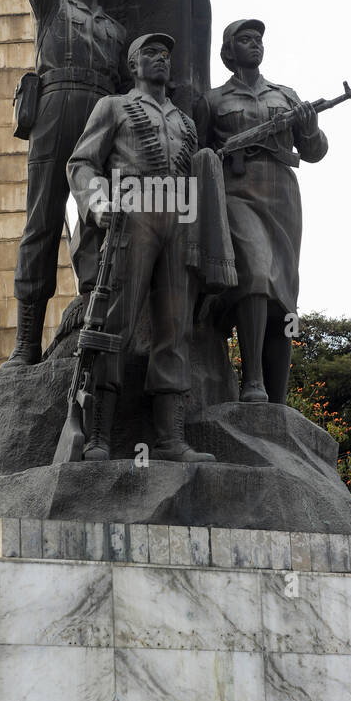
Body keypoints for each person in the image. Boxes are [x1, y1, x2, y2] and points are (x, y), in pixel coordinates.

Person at [67, 33, 214, 462]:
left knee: (174, 328)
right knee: (115, 327)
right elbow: (81, 162)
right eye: (151, 53)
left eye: (166, 54)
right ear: (133, 65)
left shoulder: (184, 121)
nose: (161, 59)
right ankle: (97, 436)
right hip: (132, 212)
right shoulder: (113, 106)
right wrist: (97, 204)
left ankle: (170, 439)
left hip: (179, 217)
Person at [6, 0, 125, 367]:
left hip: (102, 115)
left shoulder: (117, 32)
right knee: (43, 220)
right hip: (56, 108)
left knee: (103, 211)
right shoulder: (52, 8)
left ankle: (94, 306)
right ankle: (26, 341)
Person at [195, 20, 328, 403]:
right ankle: (251, 380)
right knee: (254, 274)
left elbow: (315, 152)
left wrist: (310, 128)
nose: (255, 45)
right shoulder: (212, 100)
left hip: (283, 195)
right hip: (237, 192)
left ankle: (277, 394)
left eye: (259, 40)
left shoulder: (286, 96)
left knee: (286, 294)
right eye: (245, 40)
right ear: (228, 51)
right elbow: (201, 158)